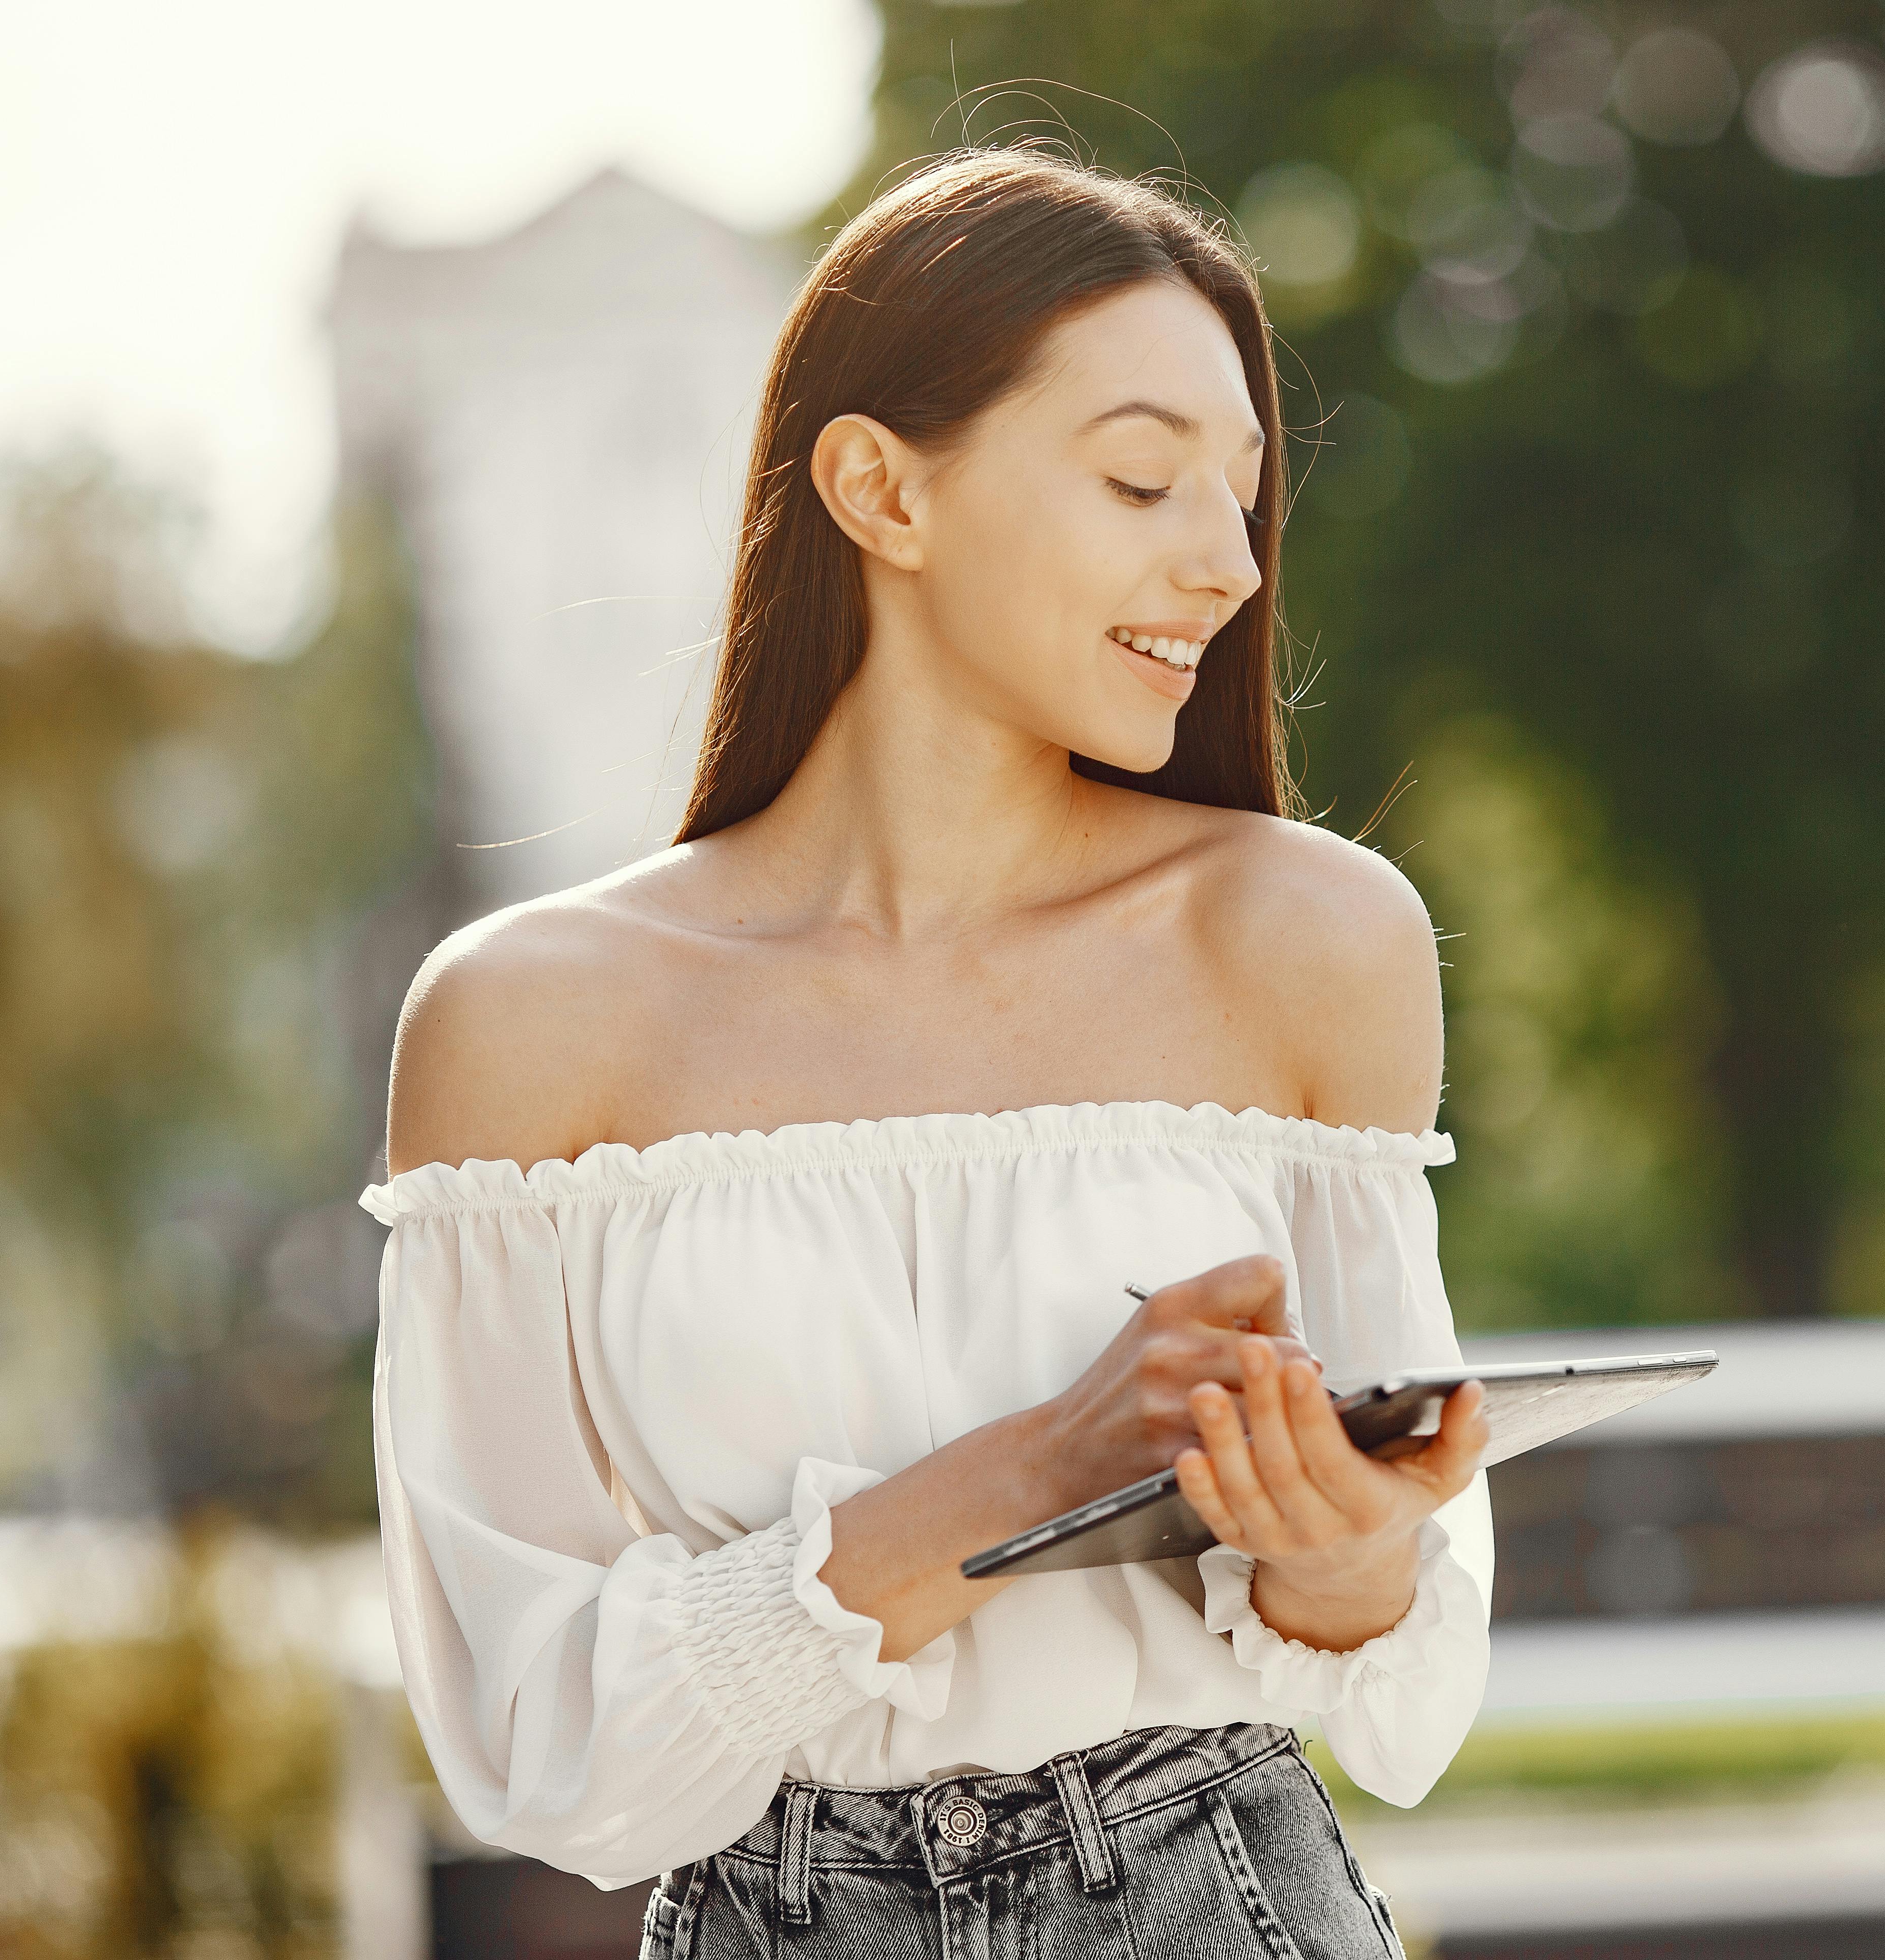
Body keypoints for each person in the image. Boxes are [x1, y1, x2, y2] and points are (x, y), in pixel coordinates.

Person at [361, 146, 1494, 1959]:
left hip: (1225, 1896)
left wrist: (1344, 1553)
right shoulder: (526, 1023)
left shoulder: (1309, 939)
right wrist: (1033, 1470)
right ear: (881, 488)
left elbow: (1408, 1681)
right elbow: (541, 1742)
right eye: (1142, 477)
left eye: (1246, 493)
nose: (1224, 559)